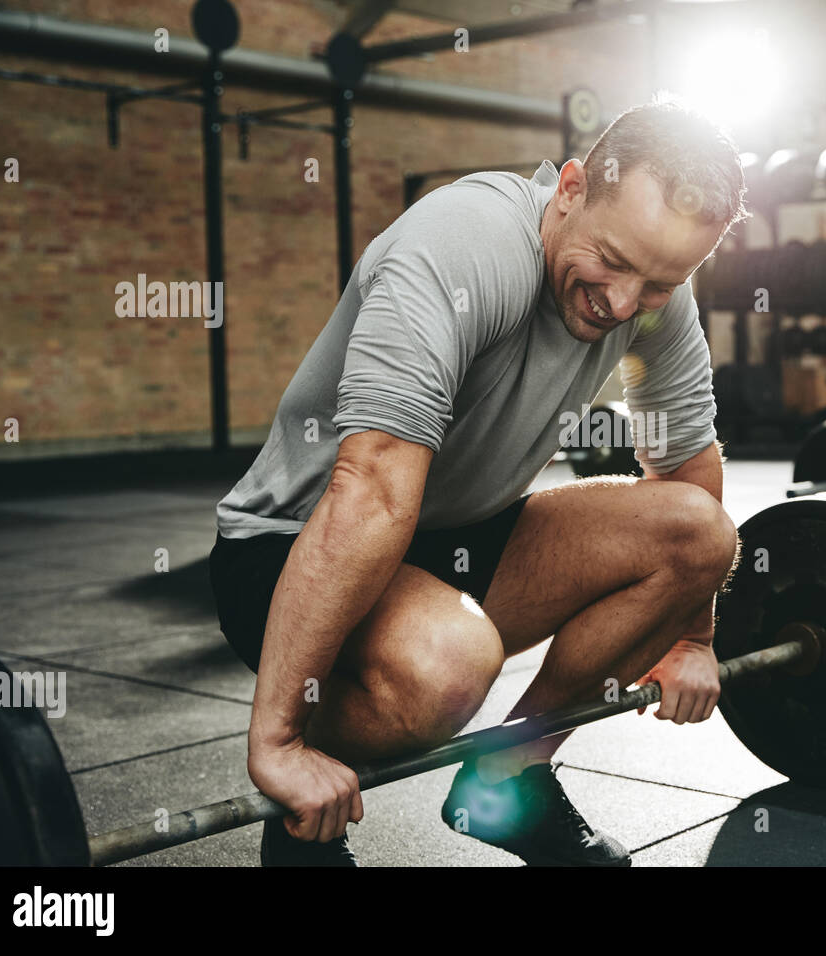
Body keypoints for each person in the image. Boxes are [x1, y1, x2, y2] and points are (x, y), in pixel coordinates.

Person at [207, 100, 745, 867]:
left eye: (659, 282)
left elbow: (688, 463)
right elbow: (373, 487)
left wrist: (695, 637)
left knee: (700, 534)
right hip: (291, 546)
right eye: (615, 261)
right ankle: (298, 804)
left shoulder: (656, 302)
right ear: (569, 188)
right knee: (446, 670)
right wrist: (278, 743)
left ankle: (509, 776)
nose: (624, 304)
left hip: (459, 538)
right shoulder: (464, 245)